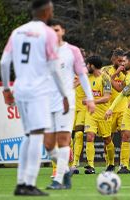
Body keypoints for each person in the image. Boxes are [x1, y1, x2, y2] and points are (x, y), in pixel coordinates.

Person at [0, 0, 68, 196]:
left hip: (20, 89)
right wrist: (64, 94)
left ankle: (21, 182)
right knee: (37, 135)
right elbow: (55, 68)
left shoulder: (17, 32)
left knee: (29, 135)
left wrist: (6, 88)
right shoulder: (47, 33)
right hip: (38, 91)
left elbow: (5, 62)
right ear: (46, 11)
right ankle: (29, 183)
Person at [44, 21, 95, 189]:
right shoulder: (43, 51)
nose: (54, 33)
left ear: (63, 31)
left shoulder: (72, 51)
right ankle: (65, 169)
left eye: (57, 30)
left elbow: (82, 76)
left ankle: (58, 180)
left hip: (66, 103)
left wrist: (90, 98)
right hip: (47, 102)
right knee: (49, 146)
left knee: (64, 140)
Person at [84, 56, 115, 174]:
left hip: (103, 113)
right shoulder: (87, 77)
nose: (87, 67)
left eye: (88, 65)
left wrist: (92, 101)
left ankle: (111, 163)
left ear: (92, 66)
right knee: (89, 137)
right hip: (91, 113)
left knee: (107, 139)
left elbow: (107, 97)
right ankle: (90, 166)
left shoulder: (105, 78)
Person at [102, 48, 126, 136]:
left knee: (125, 135)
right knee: (107, 138)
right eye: (119, 61)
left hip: (123, 109)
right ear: (113, 59)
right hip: (109, 108)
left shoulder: (127, 72)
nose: (122, 63)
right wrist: (116, 72)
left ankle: (123, 150)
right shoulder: (105, 70)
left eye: (123, 61)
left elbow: (120, 89)